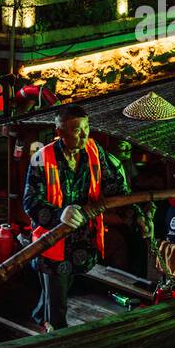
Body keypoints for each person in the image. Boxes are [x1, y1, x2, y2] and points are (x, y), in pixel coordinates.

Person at [23, 102, 150, 332]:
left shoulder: (94, 151)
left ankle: (37, 316)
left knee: (60, 289)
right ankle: (56, 339)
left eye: (86, 128)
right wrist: (60, 214)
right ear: (59, 133)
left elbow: (116, 189)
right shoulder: (41, 158)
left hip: (82, 241)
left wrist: (135, 216)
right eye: (76, 130)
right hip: (53, 244)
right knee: (57, 303)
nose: (83, 135)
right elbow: (30, 202)